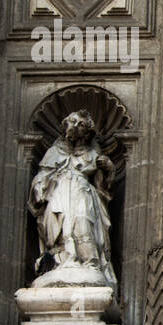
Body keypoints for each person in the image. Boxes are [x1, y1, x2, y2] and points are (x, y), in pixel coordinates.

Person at [28, 109, 116, 288]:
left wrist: (110, 170)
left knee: (82, 221)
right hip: (59, 193)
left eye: (81, 124)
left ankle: (89, 261)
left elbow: (103, 188)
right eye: (73, 122)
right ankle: (63, 259)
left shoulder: (93, 154)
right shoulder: (54, 151)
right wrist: (40, 186)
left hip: (83, 193)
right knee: (61, 227)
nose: (75, 127)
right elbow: (42, 176)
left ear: (87, 131)